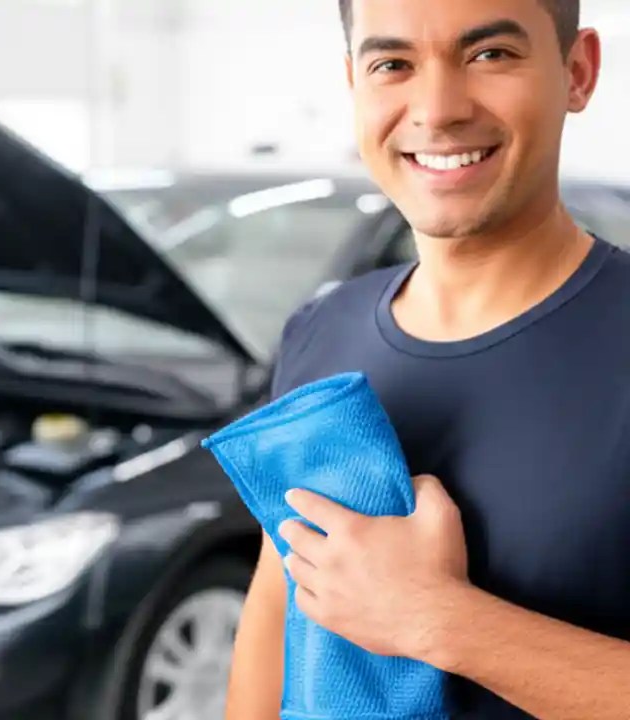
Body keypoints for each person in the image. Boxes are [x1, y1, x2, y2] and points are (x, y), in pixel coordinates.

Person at [224, 0, 630, 718]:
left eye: (490, 55)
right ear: (355, 84)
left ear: (577, 71)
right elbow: (276, 622)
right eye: (393, 64)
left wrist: (437, 619)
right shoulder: (320, 331)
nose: (438, 110)